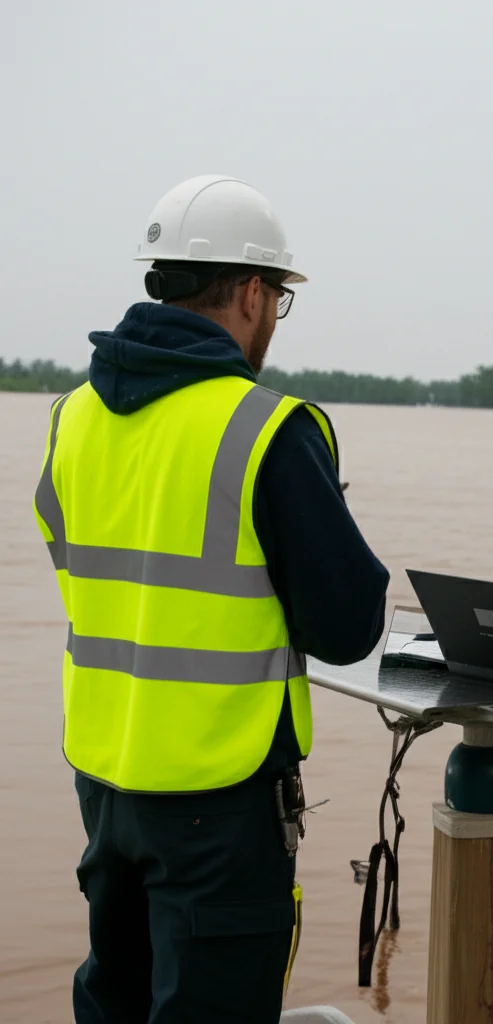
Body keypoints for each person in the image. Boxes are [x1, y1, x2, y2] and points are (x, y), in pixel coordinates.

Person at [33, 175, 390, 1024]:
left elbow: (82, 569)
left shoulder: (71, 417)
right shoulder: (265, 426)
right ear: (254, 293)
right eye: (277, 302)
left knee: (113, 1001)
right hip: (217, 798)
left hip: (105, 780)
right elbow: (347, 627)